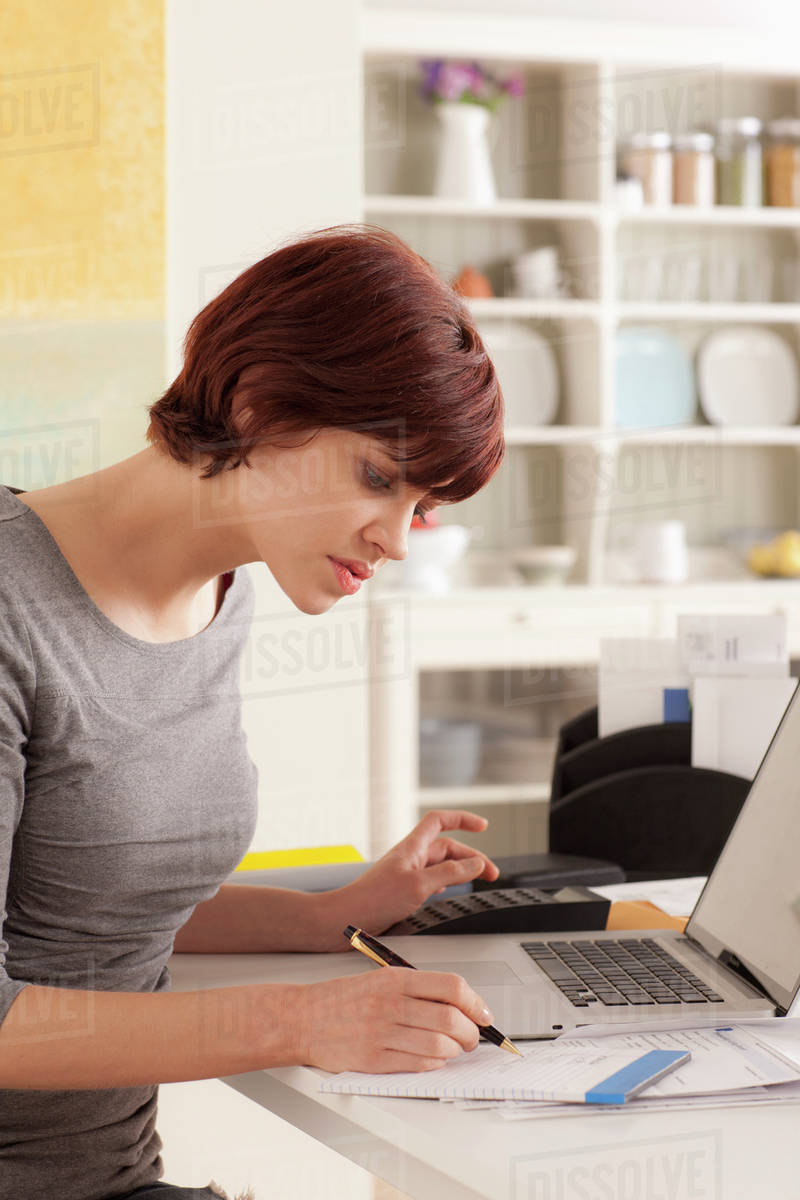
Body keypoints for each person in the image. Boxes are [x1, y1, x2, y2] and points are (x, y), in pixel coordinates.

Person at [0, 225, 505, 1199]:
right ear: (259, 402)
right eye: (377, 479)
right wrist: (298, 1022)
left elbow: (81, 910)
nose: (395, 541)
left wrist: (331, 918)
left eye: (422, 506)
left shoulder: (221, 593)